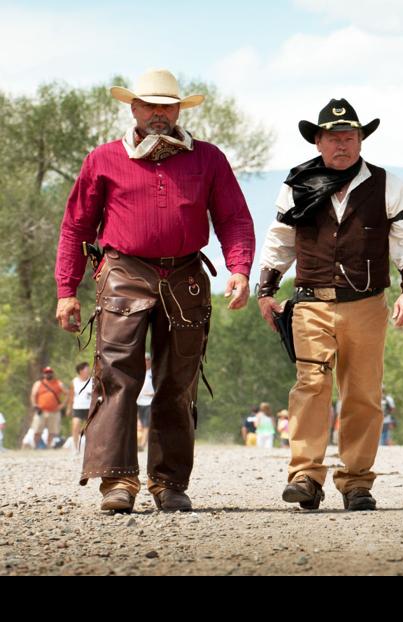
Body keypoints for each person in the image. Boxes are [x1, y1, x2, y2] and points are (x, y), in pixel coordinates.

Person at [55, 69, 254, 512]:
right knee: (116, 376)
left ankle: (168, 483)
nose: (159, 113)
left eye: (167, 105)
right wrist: (66, 289)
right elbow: (76, 227)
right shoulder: (103, 158)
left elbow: (235, 218)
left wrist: (239, 268)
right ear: (134, 109)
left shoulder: (208, 158)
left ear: (179, 109)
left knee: (177, 383)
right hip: (123, 272)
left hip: (185, 277)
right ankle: (117, 481)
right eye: (150, 105)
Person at [258, 98, 403, 513]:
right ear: (318, 141)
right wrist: (266, 289)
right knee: (311, 387)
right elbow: (280, 241)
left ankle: (356, 482)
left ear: (361, 140)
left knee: (364, 394)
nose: (342, 145)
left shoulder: (387, 184)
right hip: (311, 302)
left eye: (349, 137)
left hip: (366, 304)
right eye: (333, 138)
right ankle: (305, 476)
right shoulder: (295, 184)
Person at [28, 367, 66, 450]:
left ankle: (48, 447)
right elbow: (33, 395)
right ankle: (35, 447)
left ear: (52, 373)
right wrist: (35, 405)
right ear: (43, 374)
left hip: (54, 411)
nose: (48, 374)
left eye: (50, 372)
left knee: (52, 431)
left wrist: (62, 405)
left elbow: (67, 394)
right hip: (41, 411)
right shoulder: (38, 384)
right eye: (46, 372)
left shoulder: (58, 383)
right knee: (37, 431)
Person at [70, 362, 94, 459]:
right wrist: (69, 408)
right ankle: (75, 448)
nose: (88, 370)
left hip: (89, 407)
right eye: (86, 369)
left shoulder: (92, 380)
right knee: (75, 425)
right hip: (77, 407)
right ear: (80, 371)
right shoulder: (74, 381)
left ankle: (90, 449)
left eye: (88, 369)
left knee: (90, 429)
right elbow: (71, 395)